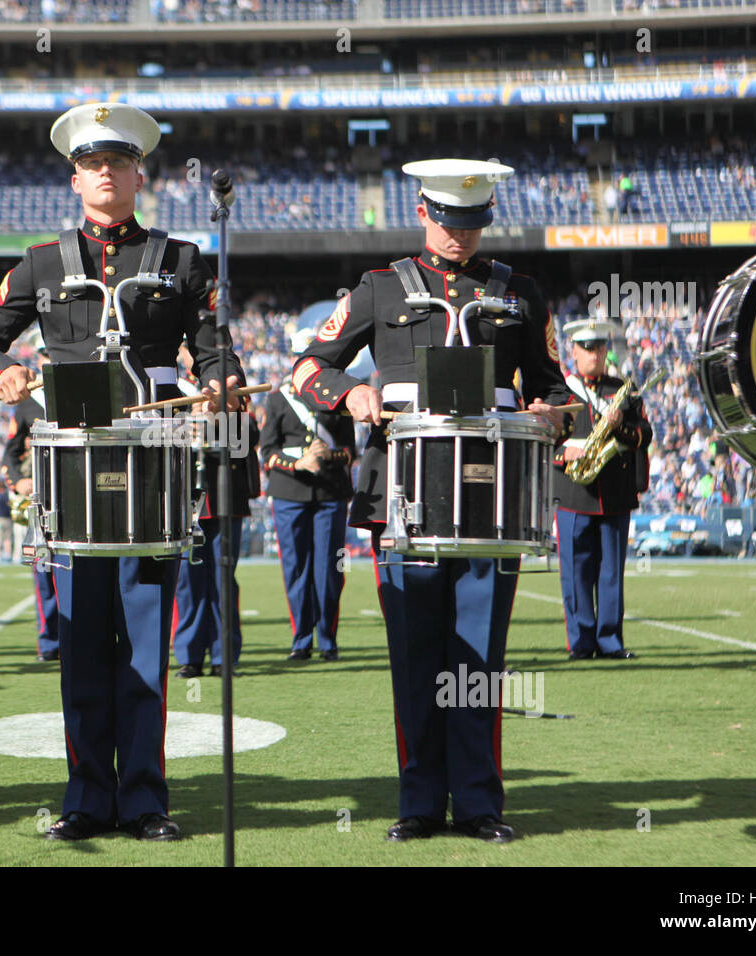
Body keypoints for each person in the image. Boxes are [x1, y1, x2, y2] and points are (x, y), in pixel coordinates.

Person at [0, 102, 244, 842]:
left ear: (138, 174)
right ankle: (86, 797)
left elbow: (216, 349)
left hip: (151, 459)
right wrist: (0, 372)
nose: (105, 174)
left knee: (145, 639)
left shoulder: (181, 259)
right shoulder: (41, 263)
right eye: (92, 165)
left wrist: (220, 380)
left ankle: (145, 798)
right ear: (74, 178)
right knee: (83, 641)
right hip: (71, 464)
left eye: (117, 163)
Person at [294, 158, 569, 845]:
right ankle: (419, 800)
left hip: (491, 500)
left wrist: (554, 413)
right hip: (402, 497)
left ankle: (479, 804)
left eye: (473, 222)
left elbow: (553, 385)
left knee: (480, 657)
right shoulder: (379, 289)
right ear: (422, 213)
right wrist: (351, 394)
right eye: (448, 220)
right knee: (417, 656)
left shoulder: (520, 292)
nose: (460, 236)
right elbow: (307, 366)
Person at [552, 318, 652, 662]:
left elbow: (644, 434)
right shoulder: (559, 391)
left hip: (614, 490)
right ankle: (581, 641)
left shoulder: (623, 389)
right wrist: (565, 452)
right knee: (576, 571)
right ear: (574, 351)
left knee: (611, 572)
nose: (595, 354)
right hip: (573, 491)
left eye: (600, 347)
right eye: (587, 348)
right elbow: (543, 436)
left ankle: (610, 640)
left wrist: (619, 424)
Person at [262, 328, 355, 663]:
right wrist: (299, 461)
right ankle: (301, 638)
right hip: (289, 492)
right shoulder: (277, 398)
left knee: (329, 571)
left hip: (330, 492)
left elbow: (349, 450)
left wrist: (327, 456)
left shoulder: (338, 397)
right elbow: (267, 451)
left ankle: (328, 639)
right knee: (296, 569)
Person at [171, 347, 260, 679]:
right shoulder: (171, 391)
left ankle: (224, 655)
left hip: (225, 498)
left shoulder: (227, 387)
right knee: (188, 583)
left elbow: (250, 436)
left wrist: (216, 421)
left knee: (223, 580)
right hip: (183, 501)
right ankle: (190, 655)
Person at [0, 339, 59, 662]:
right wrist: (17, 481)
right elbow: (8, 454)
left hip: (77, 497)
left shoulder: (83, 393)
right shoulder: (26, 404)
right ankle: (50, 642)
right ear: (39, 358)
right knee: (42, 571)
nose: (52, 361)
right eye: (47, 355)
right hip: (38, 498)